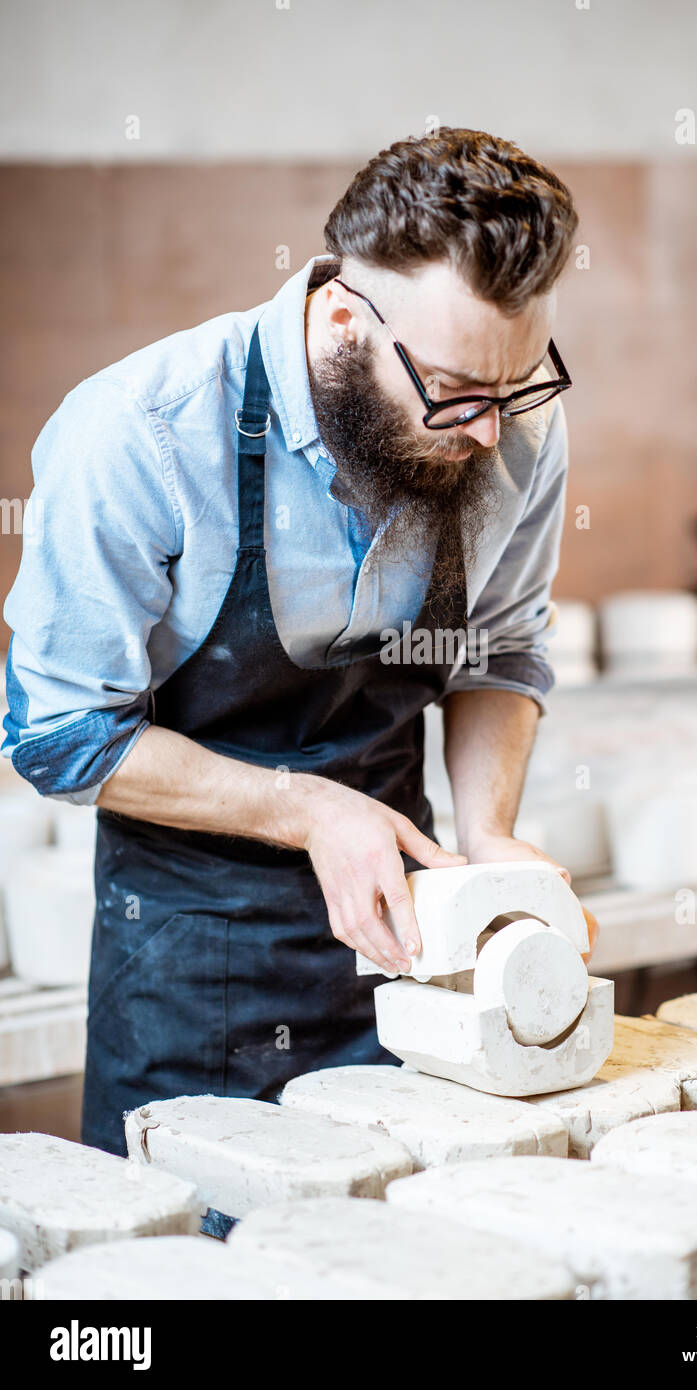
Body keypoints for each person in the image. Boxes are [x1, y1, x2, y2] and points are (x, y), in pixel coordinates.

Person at [3, 127, 597, 1156]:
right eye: (457, 390)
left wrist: (488, 834)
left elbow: (501, 648)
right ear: (339, 320)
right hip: (189, 961)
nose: (491, 431)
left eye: (518, 387)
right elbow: (58, 734)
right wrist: (309, 808)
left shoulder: (509, 422)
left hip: (407, 942)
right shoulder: (141, 433)